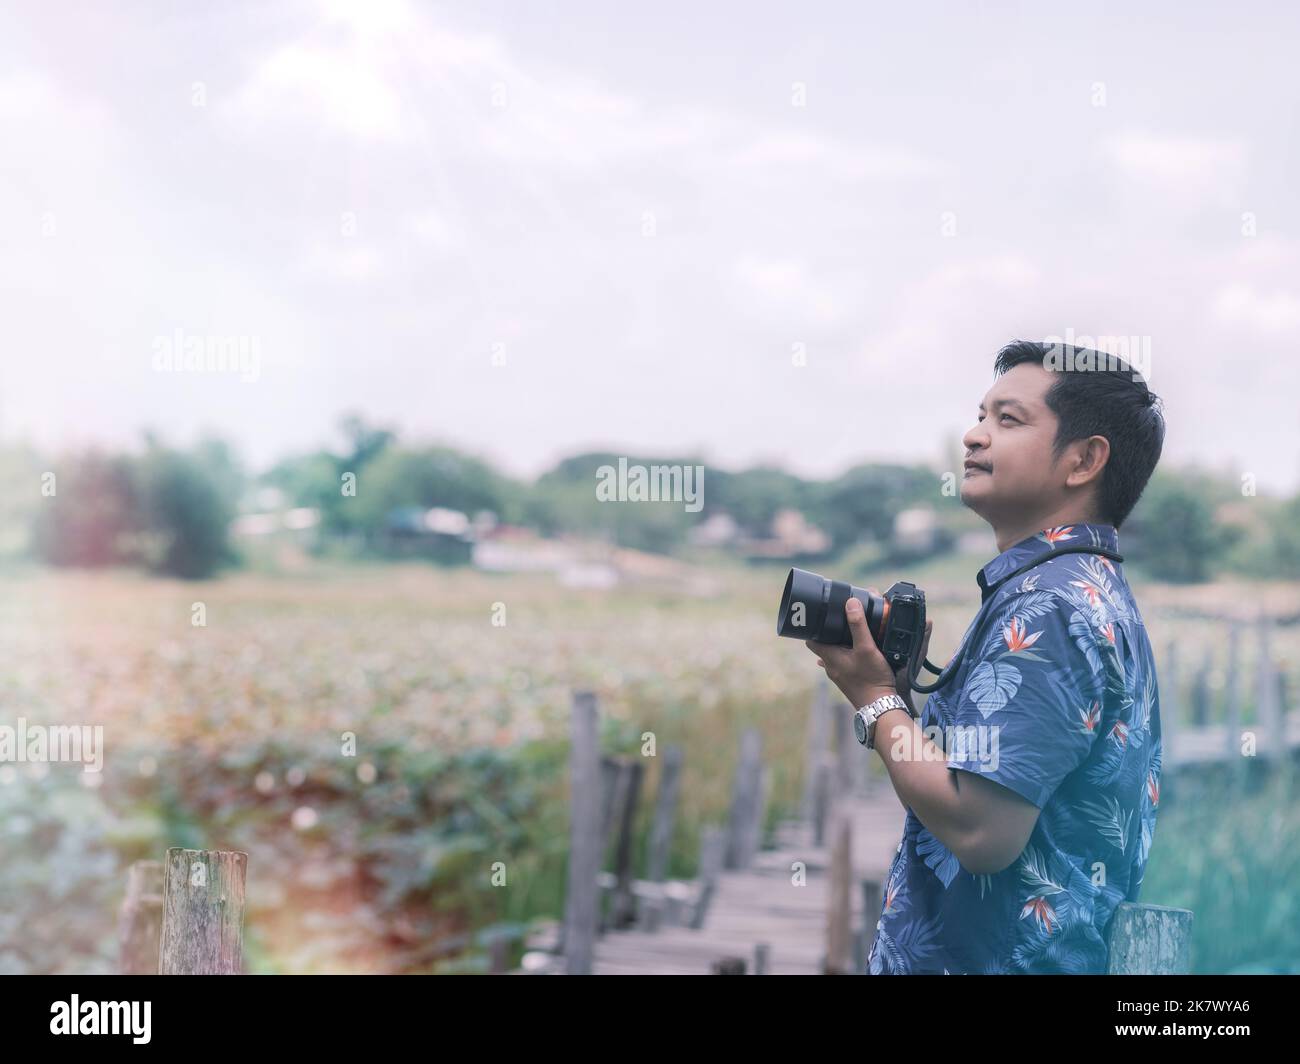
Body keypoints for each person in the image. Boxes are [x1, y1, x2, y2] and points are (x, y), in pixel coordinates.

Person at [808, 339, 1166, 974]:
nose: (973, 437)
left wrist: (876, 700)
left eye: (1009, 419)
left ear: (1083, 460)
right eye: (980, 415)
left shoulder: (1049, 605)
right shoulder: (1080, 588)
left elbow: (980, 831)